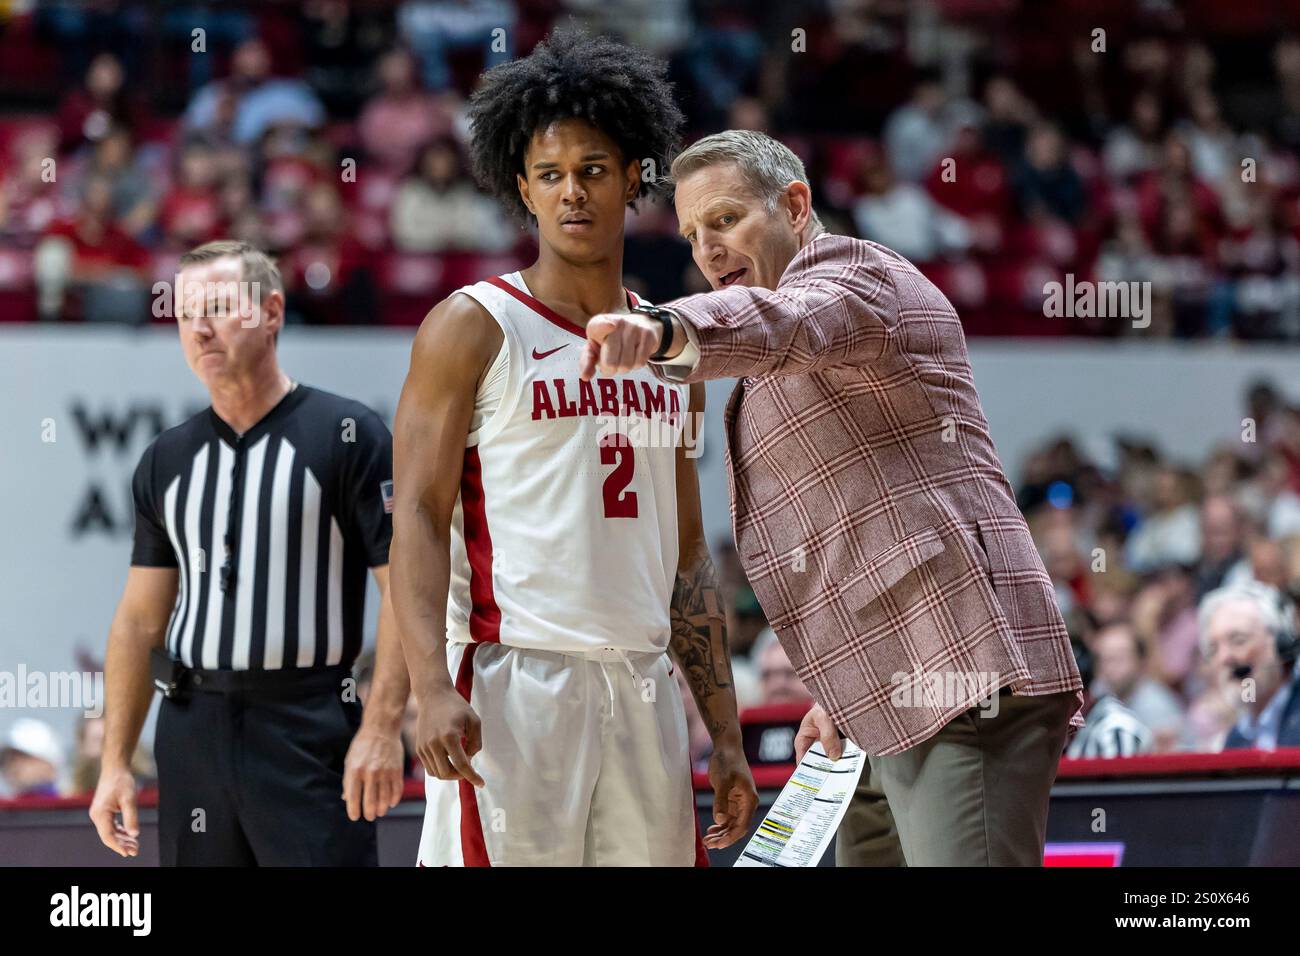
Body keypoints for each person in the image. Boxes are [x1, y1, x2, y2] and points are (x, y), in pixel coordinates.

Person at [581, 129, 1084, 866]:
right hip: (880, 705)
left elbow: (788, 324)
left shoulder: (852, 275)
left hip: (963, 675)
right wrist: (839, 694)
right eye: (692, 234)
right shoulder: (778, 343)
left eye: (724, 221)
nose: (707, 250)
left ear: (794, 204)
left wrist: (666, 326)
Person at [389, 30, 756, 867]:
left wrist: (726, 734)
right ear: (523, 188)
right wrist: (428, 691)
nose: (573, 194)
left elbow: (690, 557)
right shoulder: (473, 325)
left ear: (634, 178)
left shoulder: (673, 346)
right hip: (516, 685)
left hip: (643, 687)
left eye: (593, 169)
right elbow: (413, 513)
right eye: (550, 176)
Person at [89, 240, 409, 865]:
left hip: (308, 725)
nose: (199, 328)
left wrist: (381, 725)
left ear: (271, 312)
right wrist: (115, 764)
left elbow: (403, 587)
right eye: (185, 314)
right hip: (192, 726)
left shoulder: (347, 435)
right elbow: (137, 622)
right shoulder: (168, 458)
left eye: (217, 307)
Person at [1199, 581, 1300, 750]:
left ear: (1281, 645)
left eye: (1238, 640)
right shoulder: (1234, 740)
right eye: (1213, 649)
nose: (1224, 658)